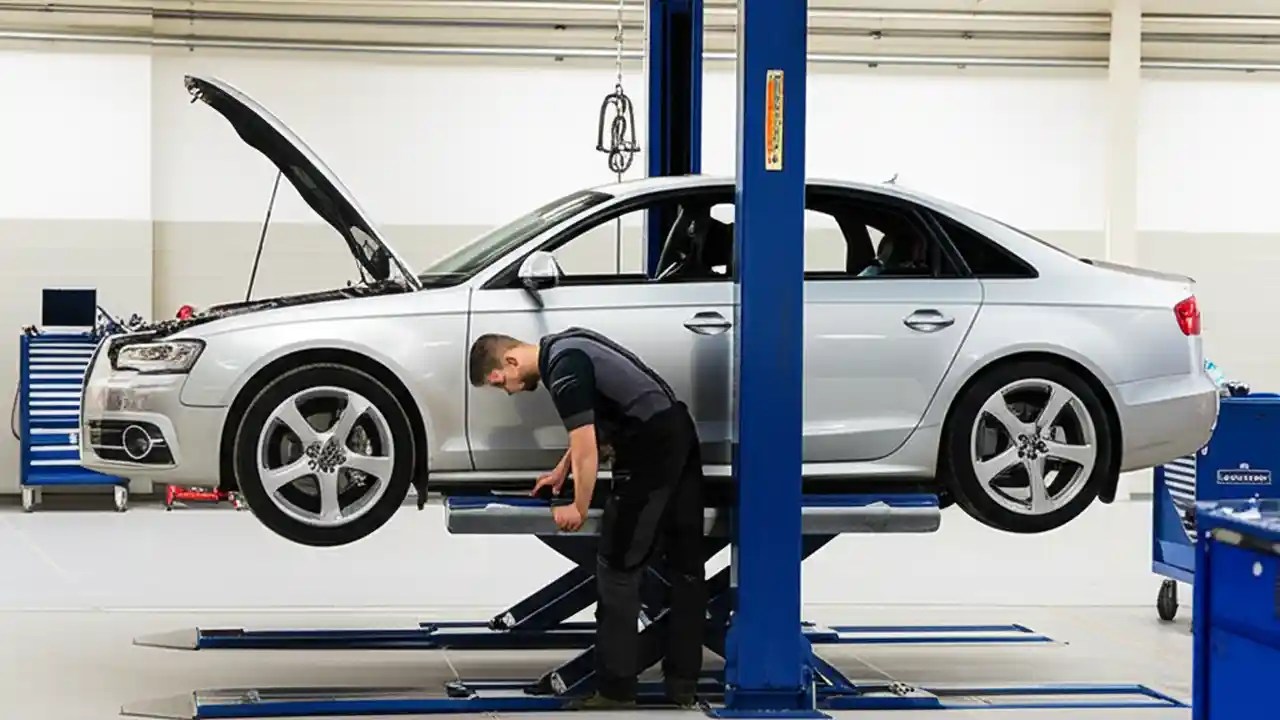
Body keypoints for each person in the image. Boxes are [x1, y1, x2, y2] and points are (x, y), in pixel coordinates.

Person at [468, 328, 706, 709]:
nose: (509, 392)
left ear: (510, 360)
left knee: (617, 567)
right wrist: (561, 472)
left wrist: (578, 507)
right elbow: (592, 423)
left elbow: (585, 446)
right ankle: (682, 685)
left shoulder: (563, 370)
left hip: (651, 448)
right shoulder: (568, 346)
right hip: (677, 430)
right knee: (686, 565)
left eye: (501, 383)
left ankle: (615, 690)